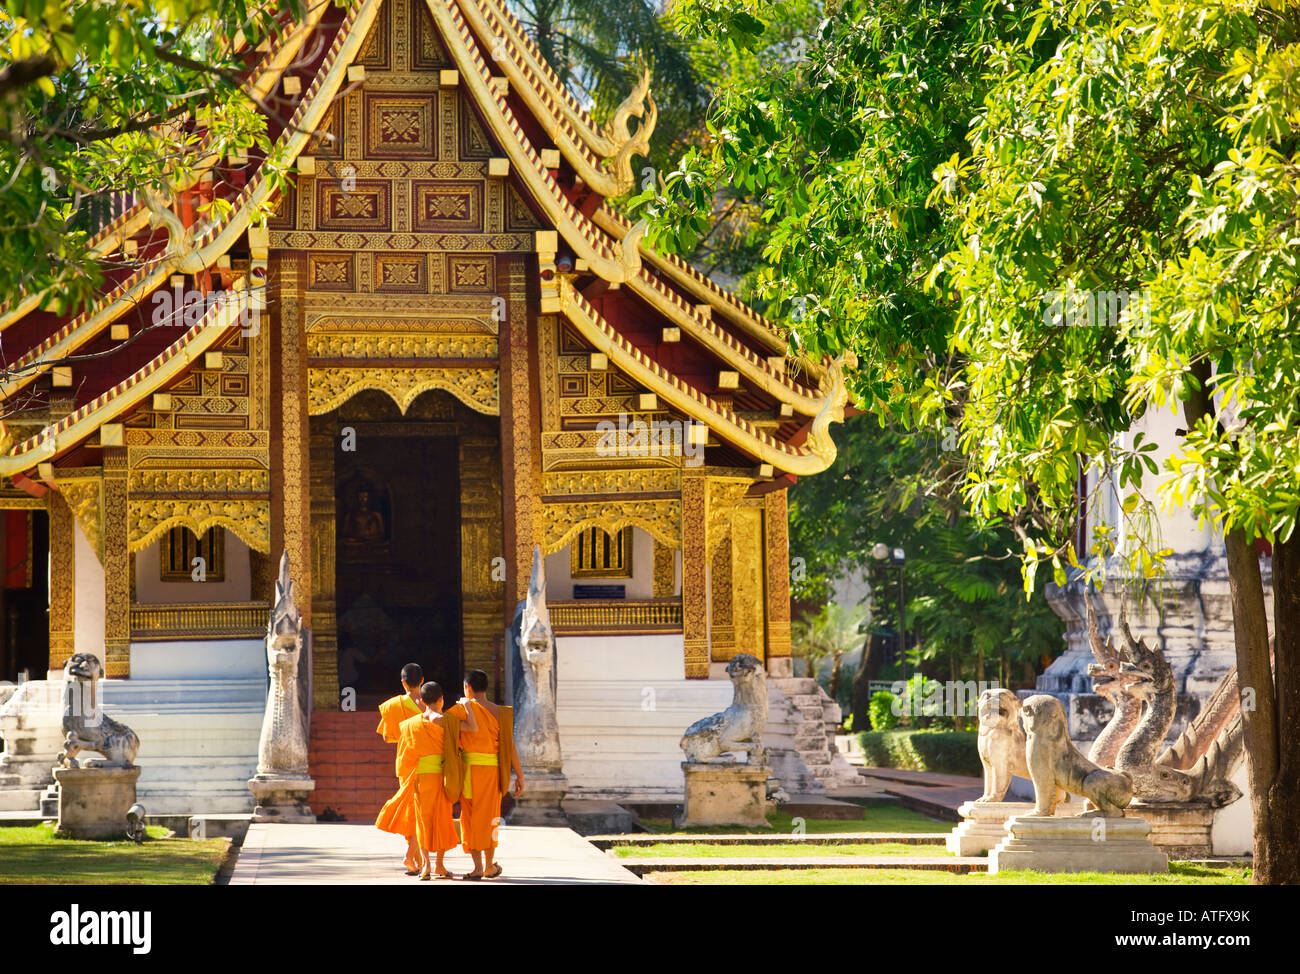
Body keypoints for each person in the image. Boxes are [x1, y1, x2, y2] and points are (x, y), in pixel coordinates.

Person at [375, 681, 470, 879]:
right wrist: (467, 706)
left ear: (422, 701)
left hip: (420, 778)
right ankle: (440, 866)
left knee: (422, 821)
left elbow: (405, 756)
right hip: (442, 778)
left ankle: (426, 866)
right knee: (442, 820)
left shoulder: (409, 725)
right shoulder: (447, 721)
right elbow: (468, 734)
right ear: (441, 699)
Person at [445, 669, 524, 880]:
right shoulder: (501, 712)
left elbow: (445, 729)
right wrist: (520, 775)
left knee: (470, 819)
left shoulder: (462, 709)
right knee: (491, 820)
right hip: (494, 774)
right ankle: (489, 865)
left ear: (467, 688)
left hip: (471, 773)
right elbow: (510, 747)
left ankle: (478, 867)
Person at [375, 662, 423, 873]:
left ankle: (416, 861)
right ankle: (411, 857)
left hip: (405, 760)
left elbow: (387, 737)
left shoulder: (393, 705)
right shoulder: (429, 703)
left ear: (403, 682)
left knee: (410, 810)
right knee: (420, 810)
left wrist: (405, 735)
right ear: (422, 681)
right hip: (426, 761)